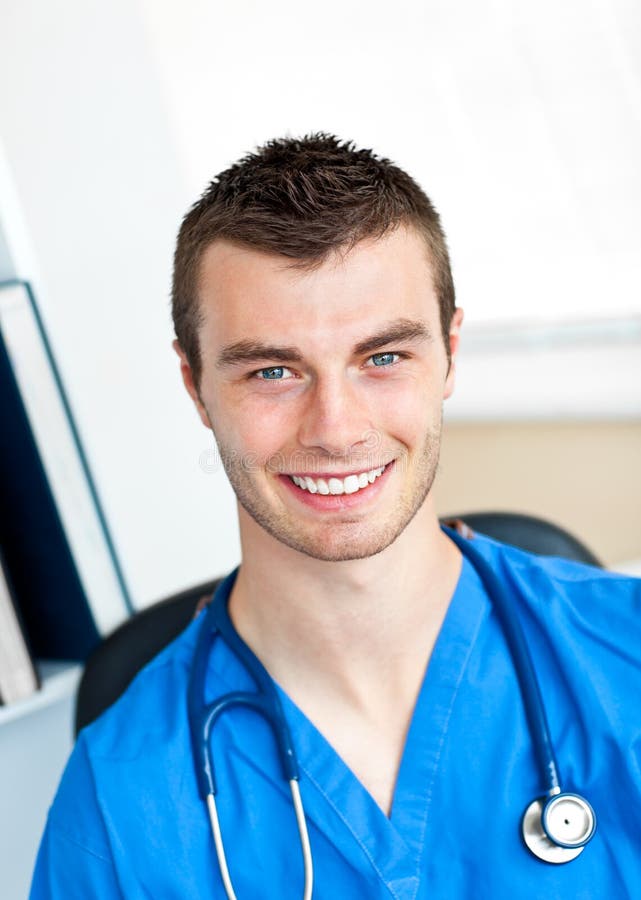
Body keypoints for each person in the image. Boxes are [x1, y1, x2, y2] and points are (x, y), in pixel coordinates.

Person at [31, 134, 641, 899]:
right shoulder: (121, 805)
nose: (335, 429)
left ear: (449, 353)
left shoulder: (624, 657)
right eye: (272, 371)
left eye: (382, 357)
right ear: (195, 386)